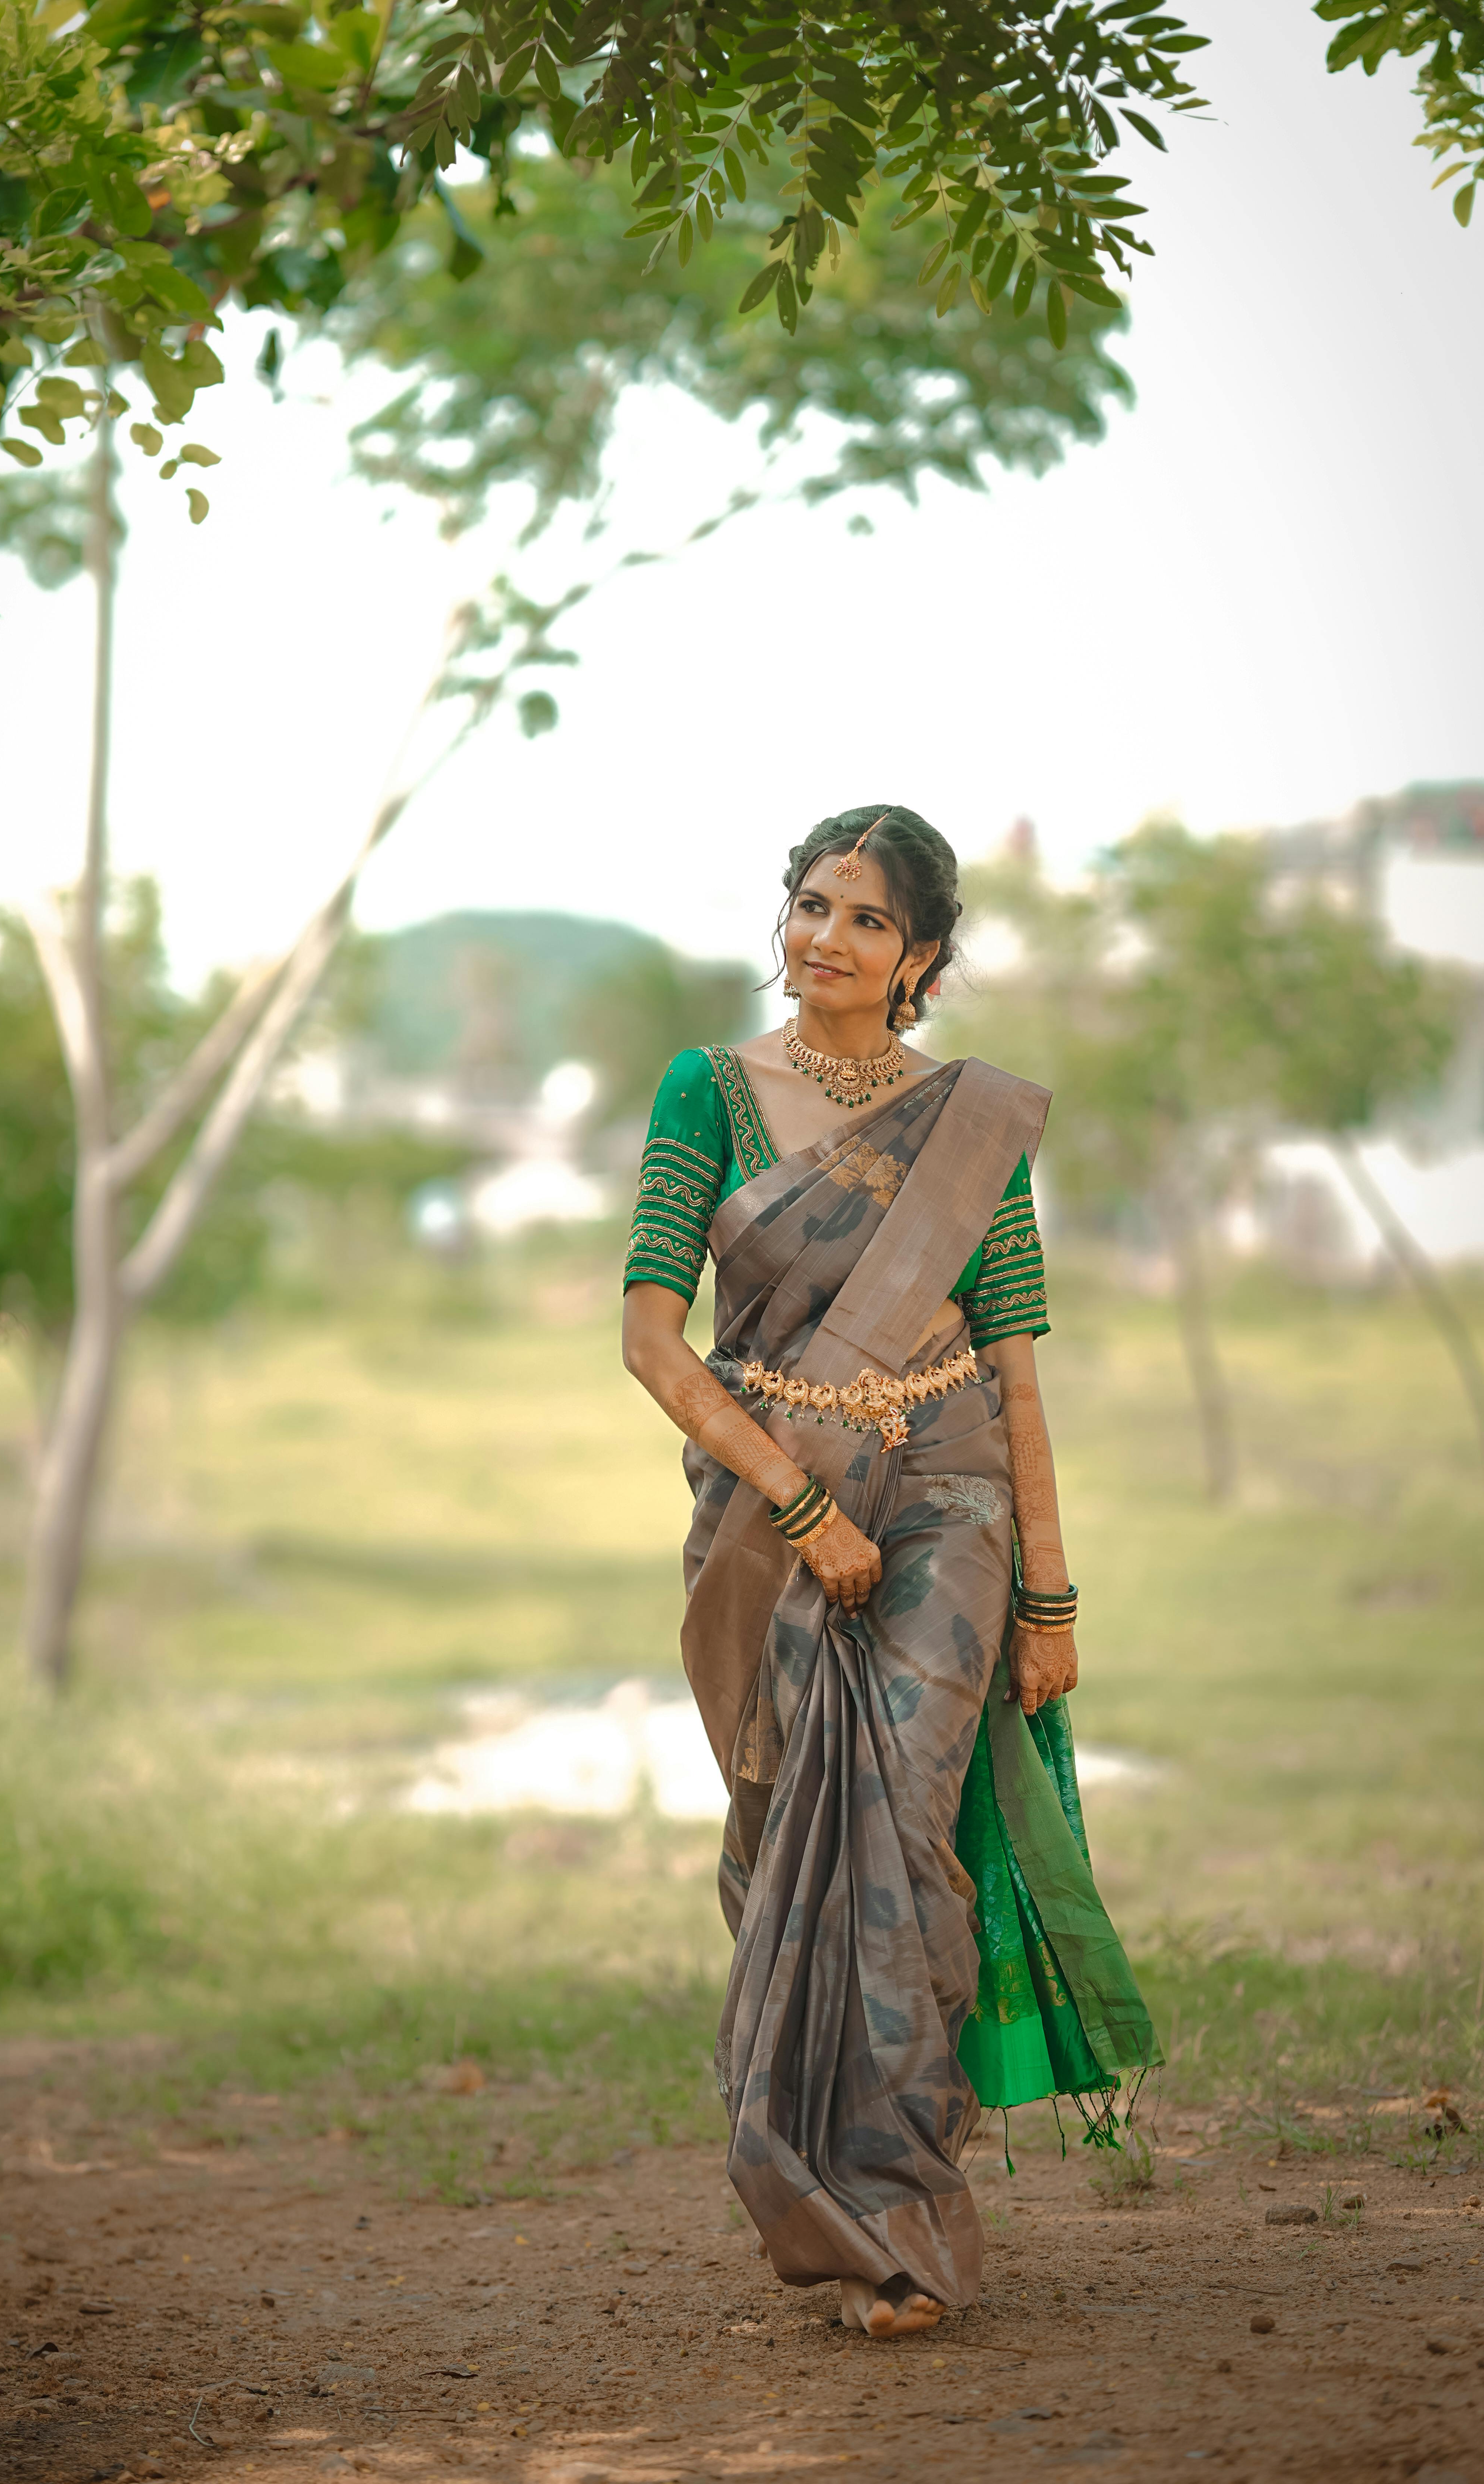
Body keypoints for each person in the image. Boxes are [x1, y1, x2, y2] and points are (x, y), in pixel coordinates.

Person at [621, 805, 1159, 2339]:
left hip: (948, 1489)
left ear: (919, 956)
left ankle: (900, 2211)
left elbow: (1013, 1366)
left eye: (863, 920)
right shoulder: (708, 1091)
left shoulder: (971, 1123)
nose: (822, 941)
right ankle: (817, 2170)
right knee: (788, 1823)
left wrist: (1049, 1595)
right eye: (807, 905)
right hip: (766, 1504)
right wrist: (797, 1505)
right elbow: (650, 1341)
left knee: (903, 1834)